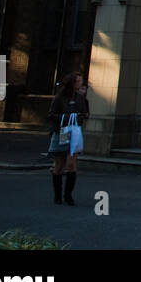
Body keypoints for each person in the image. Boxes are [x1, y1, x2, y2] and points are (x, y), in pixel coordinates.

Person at [47, 74, 89, 205]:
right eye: (78, 81)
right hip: (61, 132)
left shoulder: (80, 98)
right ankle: (58, 195)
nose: (81, 84)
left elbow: (85, 113)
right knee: (59, 165)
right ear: (72, 83)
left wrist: (80, 117)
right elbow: (51, 115)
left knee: (71, 164)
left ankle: (68, 195)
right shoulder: (59, 98)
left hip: (74, 132)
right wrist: (66, 117)